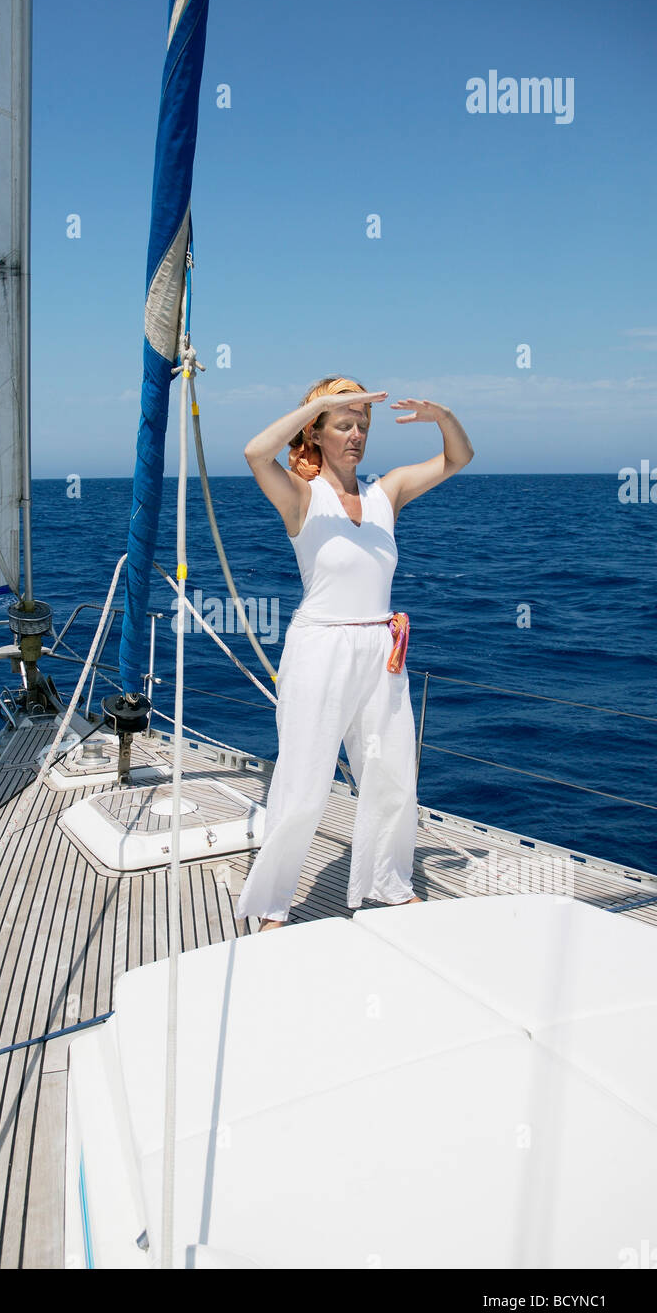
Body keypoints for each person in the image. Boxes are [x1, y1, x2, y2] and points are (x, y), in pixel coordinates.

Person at [235, 375, 474, 931]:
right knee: (303, 780)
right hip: (321, 646)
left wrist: (443, 416)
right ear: (316, 431)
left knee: (392, 774)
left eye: (362, 424)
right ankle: (270, 906)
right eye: (345, 423)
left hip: (382, 649)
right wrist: (325, 402)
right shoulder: (301, 496)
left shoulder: (384, 492)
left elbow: (459, 456)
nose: (357, 433)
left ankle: (389, 884)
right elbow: (255, 452)